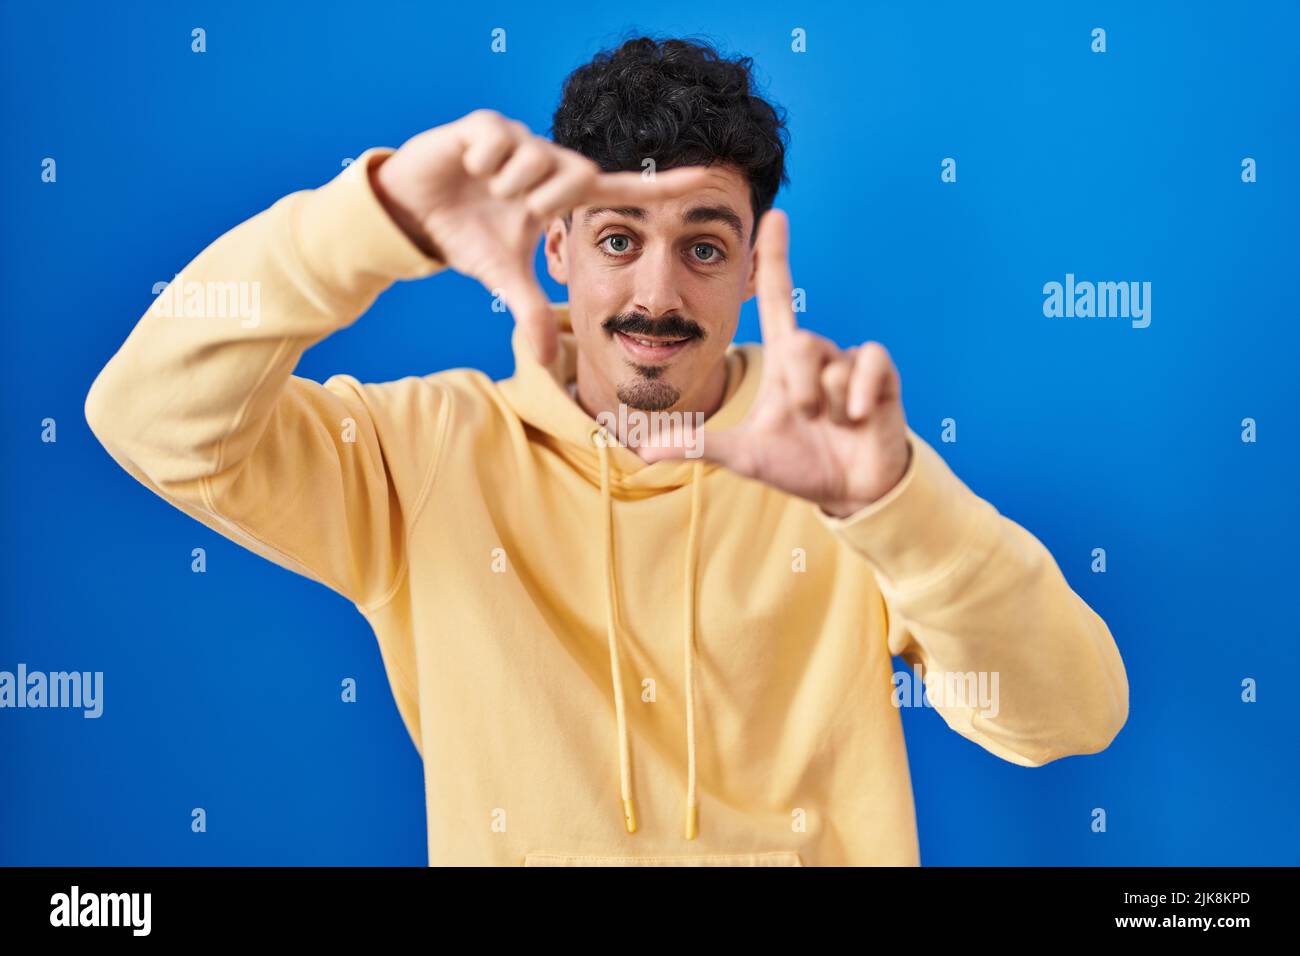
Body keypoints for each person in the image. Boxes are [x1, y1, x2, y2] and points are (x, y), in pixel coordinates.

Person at [84, 36, 1128, 866]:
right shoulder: (424, 449)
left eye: (704, 247)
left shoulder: (837, 461)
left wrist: (898, 507)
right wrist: (378, 218)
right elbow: (146, 416)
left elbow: (1069, 716)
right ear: (557, 247)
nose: (657, 296)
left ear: (754, 259)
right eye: (618, 238)